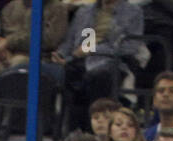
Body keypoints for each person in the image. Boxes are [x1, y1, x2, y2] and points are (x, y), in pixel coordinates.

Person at [53, 0, 145, 133]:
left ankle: (94, 132)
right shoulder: (84, 11)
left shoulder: (133, 12)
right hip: (80, 60)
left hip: (112, 61)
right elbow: (69, 41)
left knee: (98, 76)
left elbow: (131, 47)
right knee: (68, 73)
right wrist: (61, 55)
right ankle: (72, 133)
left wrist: (92, 49)